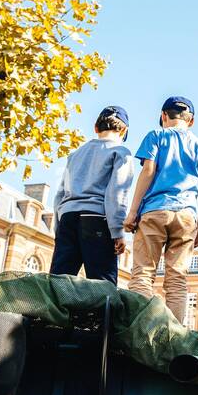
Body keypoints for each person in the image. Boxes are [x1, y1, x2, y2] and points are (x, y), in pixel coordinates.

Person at [123, 96, 198, 324]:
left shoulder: (156, 136)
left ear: (164, 116)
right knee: (177, 280)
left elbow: (148, 172)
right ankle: (174, 340)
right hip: (186, 216)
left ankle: (137, 331)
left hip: (155, 210)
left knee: (143, 274)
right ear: (191, 121)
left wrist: (133, 211)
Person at [49, 105, 136, 284]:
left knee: (59, 280)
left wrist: (59, 228)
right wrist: (118, 231)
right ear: (124, 130)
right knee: (102, 283)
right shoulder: (121, 153)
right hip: (97, 218)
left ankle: (54, 312)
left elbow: (60, 195)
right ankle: (99, 313)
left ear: (96, 128)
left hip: (68, 217)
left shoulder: (75, 155)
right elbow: (116, 194)